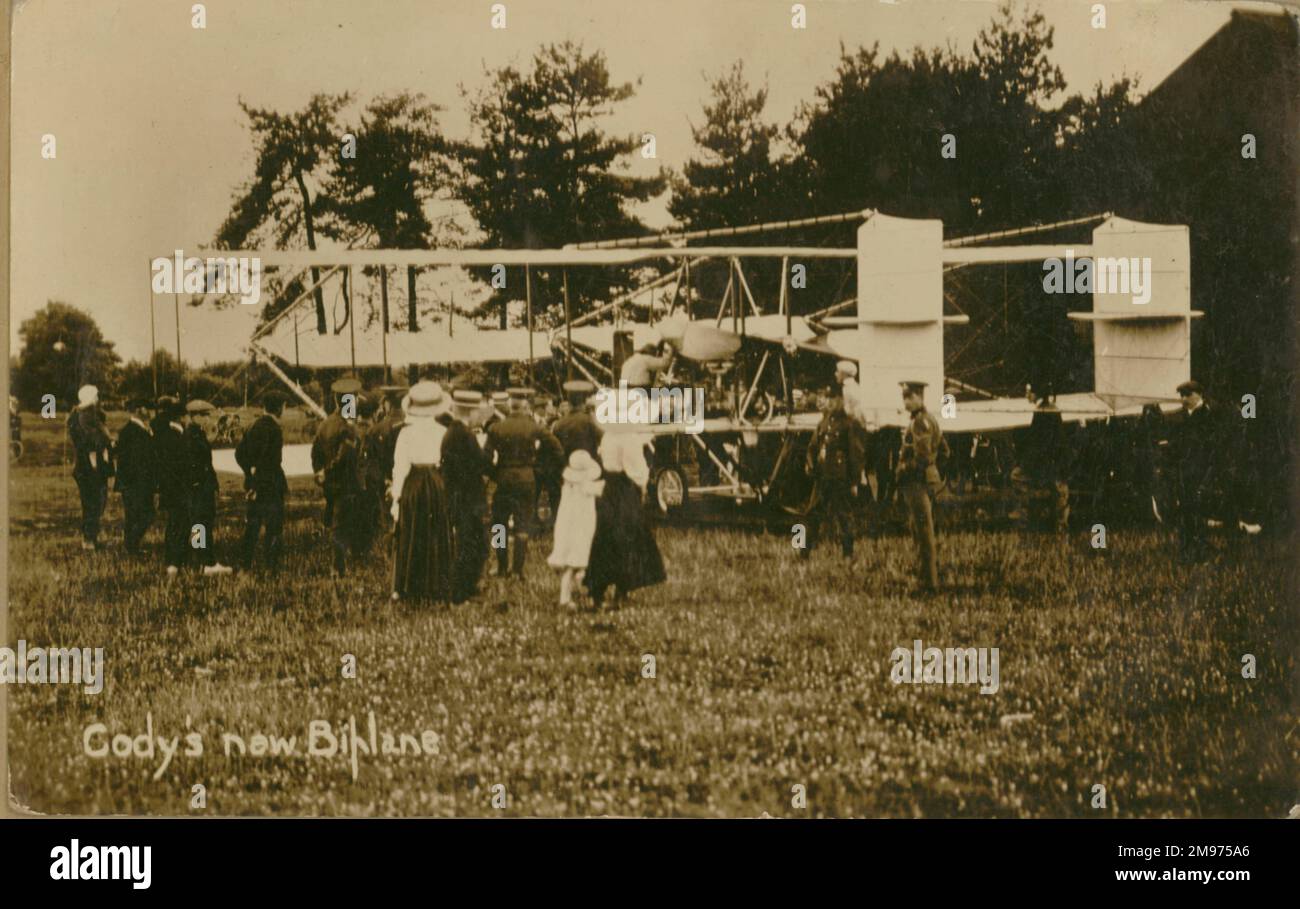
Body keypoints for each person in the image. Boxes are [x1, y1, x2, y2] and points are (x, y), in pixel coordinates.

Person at [484, 389, 562, 578]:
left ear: (510, 406)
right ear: (525, 406)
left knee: (499, 524)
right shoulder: (534, 427)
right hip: (527, 479)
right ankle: (518, 570)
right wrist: (536, 469)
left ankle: (502, 566)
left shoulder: (496, 428)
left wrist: (496, 474)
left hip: (504, 478)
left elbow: (485, 458)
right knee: (522, 524)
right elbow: (557, 448)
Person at [585, 428, 665, 608]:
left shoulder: (608, 435)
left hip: (608, 488)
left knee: (603, 536)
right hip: (624, 488)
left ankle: (597, 591)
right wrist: (642, 486)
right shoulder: (628, 438)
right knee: (627, 537)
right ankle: (622, 590)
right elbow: (635, 468)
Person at [390, 381, 455, 602]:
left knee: (411, 531)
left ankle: (410, 584)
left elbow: (400, 468)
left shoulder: (406, 434)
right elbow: (449, 464)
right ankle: (438, 583)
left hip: (414, 483)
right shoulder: (444, 431)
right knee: (437, 531)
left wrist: (396, 498)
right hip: (436, 483)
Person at [439, 389, 492, 603]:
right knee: (471, 544)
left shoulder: (451, 433)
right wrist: (489, 451)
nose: (480, 415)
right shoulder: (466, 435)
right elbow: (481, 463)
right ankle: (462, 590)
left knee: (468, 542)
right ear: (469, 412)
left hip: (457, 497)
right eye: (478, 411)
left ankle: (465, 588)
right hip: (469, 499)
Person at [802, 386, 866, 560]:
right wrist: (809, 463)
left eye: (834, 399)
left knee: (843, 516)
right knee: (811, 513)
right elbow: (813, 446)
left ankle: (848, 553)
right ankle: (802, 551)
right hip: (822, 476)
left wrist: (854, 481)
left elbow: (855, 454)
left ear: (841, 401)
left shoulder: (849, 424)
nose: (830, 402)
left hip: (839, 478)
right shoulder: (824, 422)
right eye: (828, 398)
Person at [313, 378, 365, 576]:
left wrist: (320, 473)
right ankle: (338, 566)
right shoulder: (347, 428)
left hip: (330, 484)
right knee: (341, 524)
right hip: (346, 483)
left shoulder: (324, 425)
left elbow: (315, 452)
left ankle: (340, 563)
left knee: (337, 519)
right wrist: (329, 471)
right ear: (349, 402)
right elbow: (345, 456)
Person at [896, 380, 944, 591]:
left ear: (919, 397)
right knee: (921, 530)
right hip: (927, 479)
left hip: (917, 482)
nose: (905, 402)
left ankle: (929, 582)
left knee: (923, 533)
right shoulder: (928, 419)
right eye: (904, 398)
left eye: (909, 397)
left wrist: (904, 468)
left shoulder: (920, 422)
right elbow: (945, 451)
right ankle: (926, 577)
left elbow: (922, 457)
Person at [236, 392, 288, 570]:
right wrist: (257, 481)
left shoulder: (253, 425)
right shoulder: (274, 429)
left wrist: (249, 474)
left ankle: (245, 564)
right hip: (271, 485)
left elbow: (239, 454)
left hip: (255, 485)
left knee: (253, 525)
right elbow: (268, 460)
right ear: (280, 407)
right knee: (274, 527)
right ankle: (271, 566)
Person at [1169, 379, 1218, 561]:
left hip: (1204, 469)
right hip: (1184, 470)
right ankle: (1186, 547)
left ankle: (1201, 547)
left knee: (1201, 509)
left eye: (1188, 394)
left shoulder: (1210, 414)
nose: (1184, 398)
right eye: (1182, 395)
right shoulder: (1179, 417)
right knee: (1185, 510)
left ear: (1199, 394)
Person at [548, 449, 605, 607]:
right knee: (575, 564)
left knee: (572, 564)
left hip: (567, 527)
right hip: (581, 528)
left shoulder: (568, 485)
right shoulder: (586, 485)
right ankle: (565, 599)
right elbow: (601, 489)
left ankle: (575, 592)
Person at [182, 400, 233, 575]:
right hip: (199, 488)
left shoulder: (197, 434)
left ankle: (198, 559)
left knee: (200, 524)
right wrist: (197, 483)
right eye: (204, 415)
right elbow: (193, 463)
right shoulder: (191, 436)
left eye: (207, 415)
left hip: (202, 486)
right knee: (201, 523)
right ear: (194, 416)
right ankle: (206, 561)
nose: (207, 418)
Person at [1009, 392, 1071, 532]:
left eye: (1029, 392)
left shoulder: (1043, 410)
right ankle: (1056, 522)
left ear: (1036, 393)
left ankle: (1027, 519)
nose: (1026, 395)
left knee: (1017, 477)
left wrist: (1029, 462)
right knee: (1058, 488)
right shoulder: (1048, 408)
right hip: (1050, 462)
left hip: (1047, 462)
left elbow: (1041, 441)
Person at [67, 384, 113, 550]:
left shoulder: (88, 416)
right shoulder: (86, 417)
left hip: (90, 466)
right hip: (88, 467)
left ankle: (91, 537)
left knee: (95, 503)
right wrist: (107, 444)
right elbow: (92, 442)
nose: (98, 399)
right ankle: (89, 540)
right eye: (96, 396)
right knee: (93, 503)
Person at [152, 396, 192, 576]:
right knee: (184, 523)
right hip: (181, 487)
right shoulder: (178, 437)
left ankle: (175, 558)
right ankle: (176, 561)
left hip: (170, 487)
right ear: (181, 417)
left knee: (176, 523)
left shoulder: (166, 434)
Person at [114, 398, 157, 555]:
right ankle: (131, 546)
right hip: (137, 482)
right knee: (145, 514)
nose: (150, 412)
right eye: (147, 408)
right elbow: (138, 459)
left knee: (134, 516)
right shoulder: (133, 431)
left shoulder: (134, 430)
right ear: (139, 410)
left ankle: (131, 546)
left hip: (133, 481)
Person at [551, 379, 602, 460]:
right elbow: (601, 439)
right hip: (589, 465)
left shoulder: (559, 424)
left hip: (568, 467)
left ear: (569, 402)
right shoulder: (590, 421)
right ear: (584, 402)